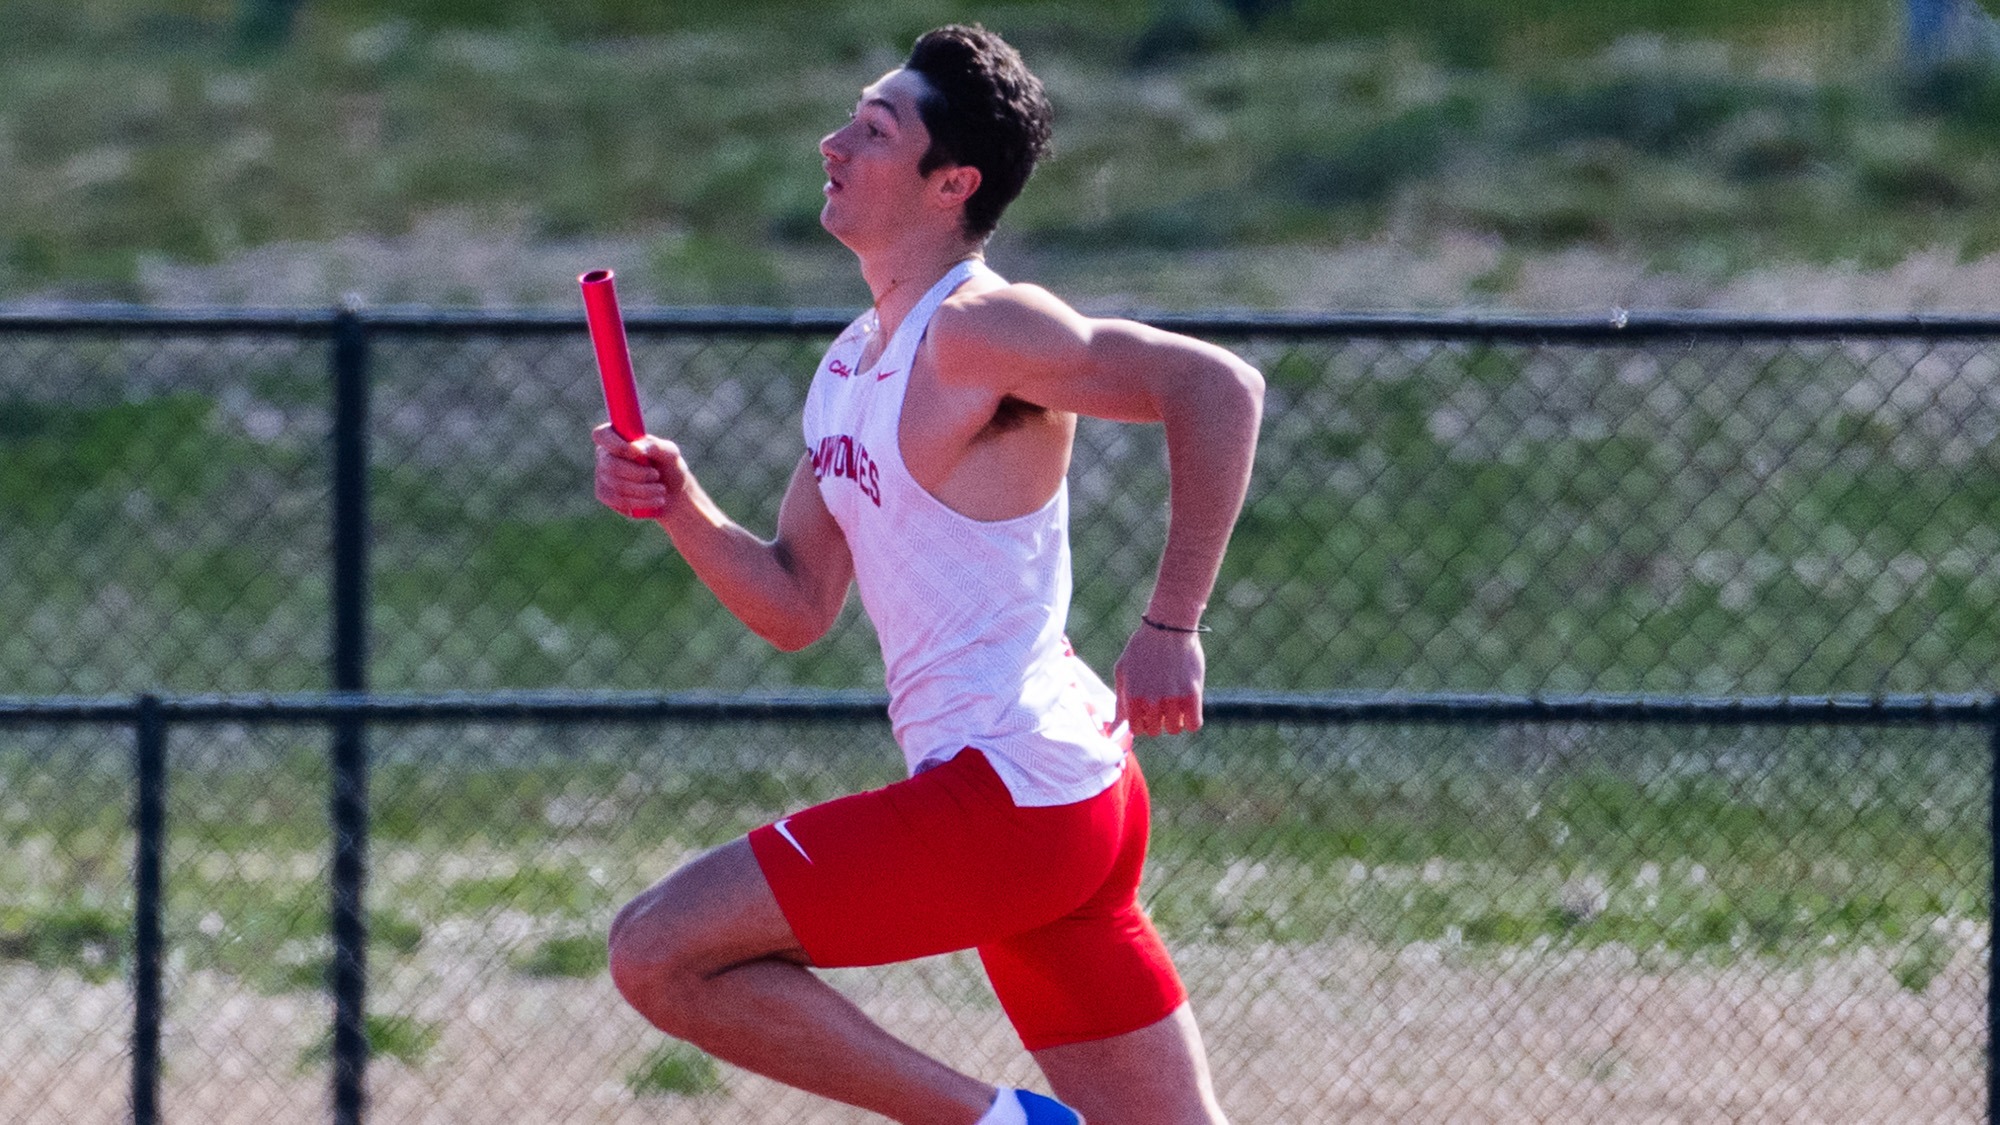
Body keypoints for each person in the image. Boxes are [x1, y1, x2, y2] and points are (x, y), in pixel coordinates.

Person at [592, 23, 1263, 1125]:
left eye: (873, 129)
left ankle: (997, 1124)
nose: (832, 144)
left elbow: (1219, 388)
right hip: (1054, 798)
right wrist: (680, 506)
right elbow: (796, 604)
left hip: (1013, 794)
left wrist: (1172, 624)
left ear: (951, 183)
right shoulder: (853, 359)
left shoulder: (977, 326)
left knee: (657, 951)